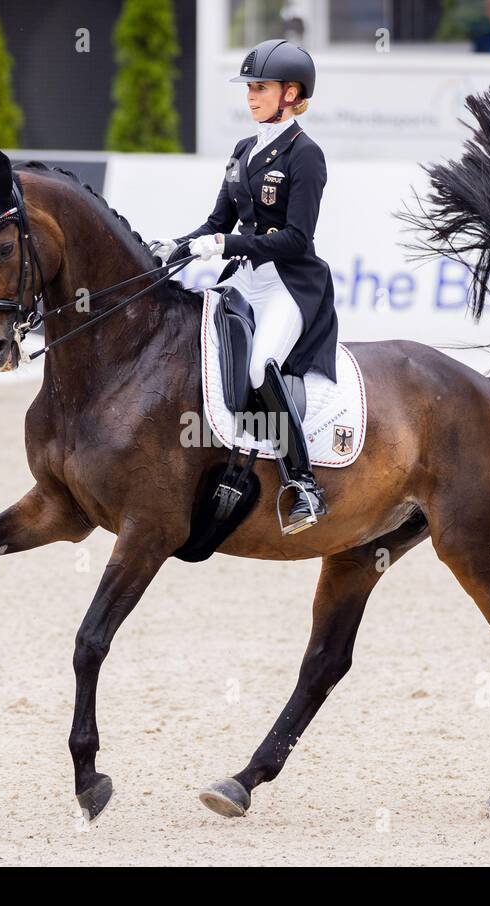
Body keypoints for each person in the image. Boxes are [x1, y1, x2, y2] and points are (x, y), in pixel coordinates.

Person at [152, 39, 339, 536]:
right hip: (244, 281)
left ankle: (304, 485)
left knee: (259, 366)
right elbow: (217, 221)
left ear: (291, 93)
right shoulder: (243, 151)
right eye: (250, 88)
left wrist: (227, 243)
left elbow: (297, 239)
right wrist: (178, 244)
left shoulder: (306, 155)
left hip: (288, 286)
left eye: (261, 87)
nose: (251, 96)